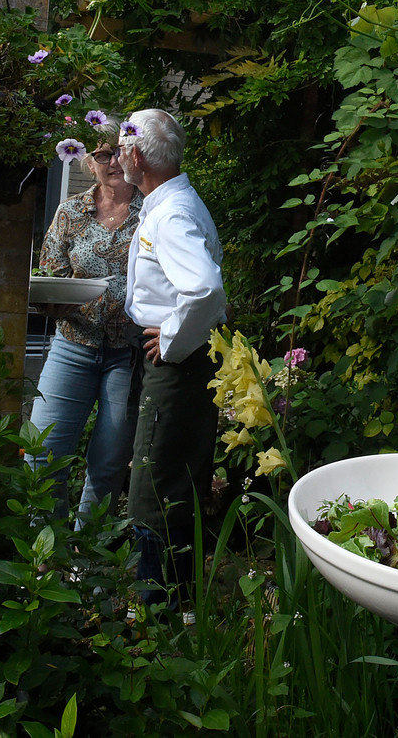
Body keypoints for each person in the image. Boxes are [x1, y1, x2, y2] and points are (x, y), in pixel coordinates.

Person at [119, 108, 226, 615]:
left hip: (176, 366)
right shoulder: (171, 203)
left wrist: (172, 340)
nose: (119, 155)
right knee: (176, 480)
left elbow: (203, 289)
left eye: (123, 146)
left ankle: (154, 616)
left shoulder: (172, 214)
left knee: (155, 485)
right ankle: (180, 607)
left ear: (137, 157)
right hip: (181, 361)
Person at [27, 125, 142, 522]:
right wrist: (52, 302)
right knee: (42, 455)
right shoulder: (70, 212)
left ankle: (88, 554)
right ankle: (47, 549)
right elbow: (49, 273)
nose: (113, 161)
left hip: (127, 355)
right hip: (72, 346)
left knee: (109, 465)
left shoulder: (153, 212)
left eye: (119, 152)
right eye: (103, 155)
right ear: (89, 164)